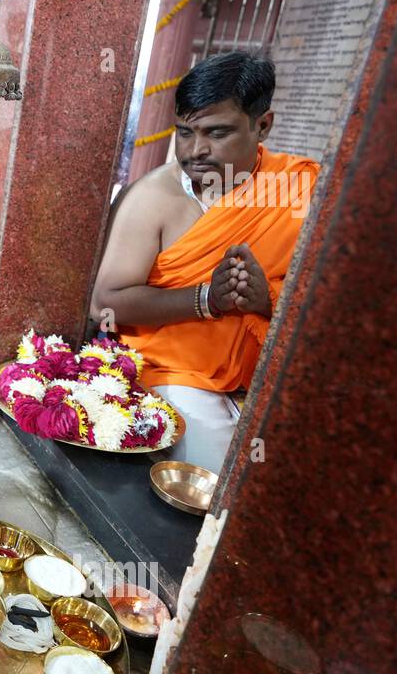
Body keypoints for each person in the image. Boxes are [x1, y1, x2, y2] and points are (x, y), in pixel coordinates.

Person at [90, 52, 319, 472]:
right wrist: (207, 300)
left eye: (217, 133)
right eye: (184, 133)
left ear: (262, 125)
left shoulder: (298, 189)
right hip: (174, 373)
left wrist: (265, 300)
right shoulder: (155, 198)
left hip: (268, 372)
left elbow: (328, 299)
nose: (195, 151)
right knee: (218, 482)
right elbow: (105, 302)